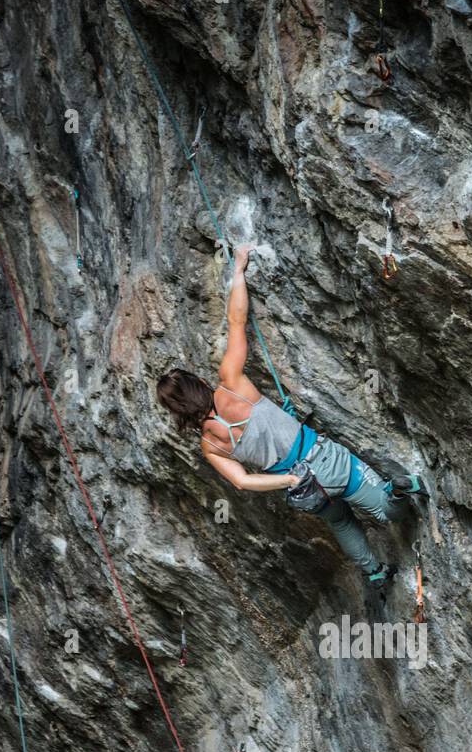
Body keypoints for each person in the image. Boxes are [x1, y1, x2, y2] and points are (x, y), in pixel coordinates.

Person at [156, 247, 428, 589]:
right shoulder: (232, 384)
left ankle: (374, 571)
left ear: (178, 411)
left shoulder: (210, 445)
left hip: (304, 489)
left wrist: (288, 482)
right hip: (325, 460)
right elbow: (236, 321)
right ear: (197, 384)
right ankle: (401, 492)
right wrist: (238, 270)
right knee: (385, 510)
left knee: (342, 524)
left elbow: (242, 482)